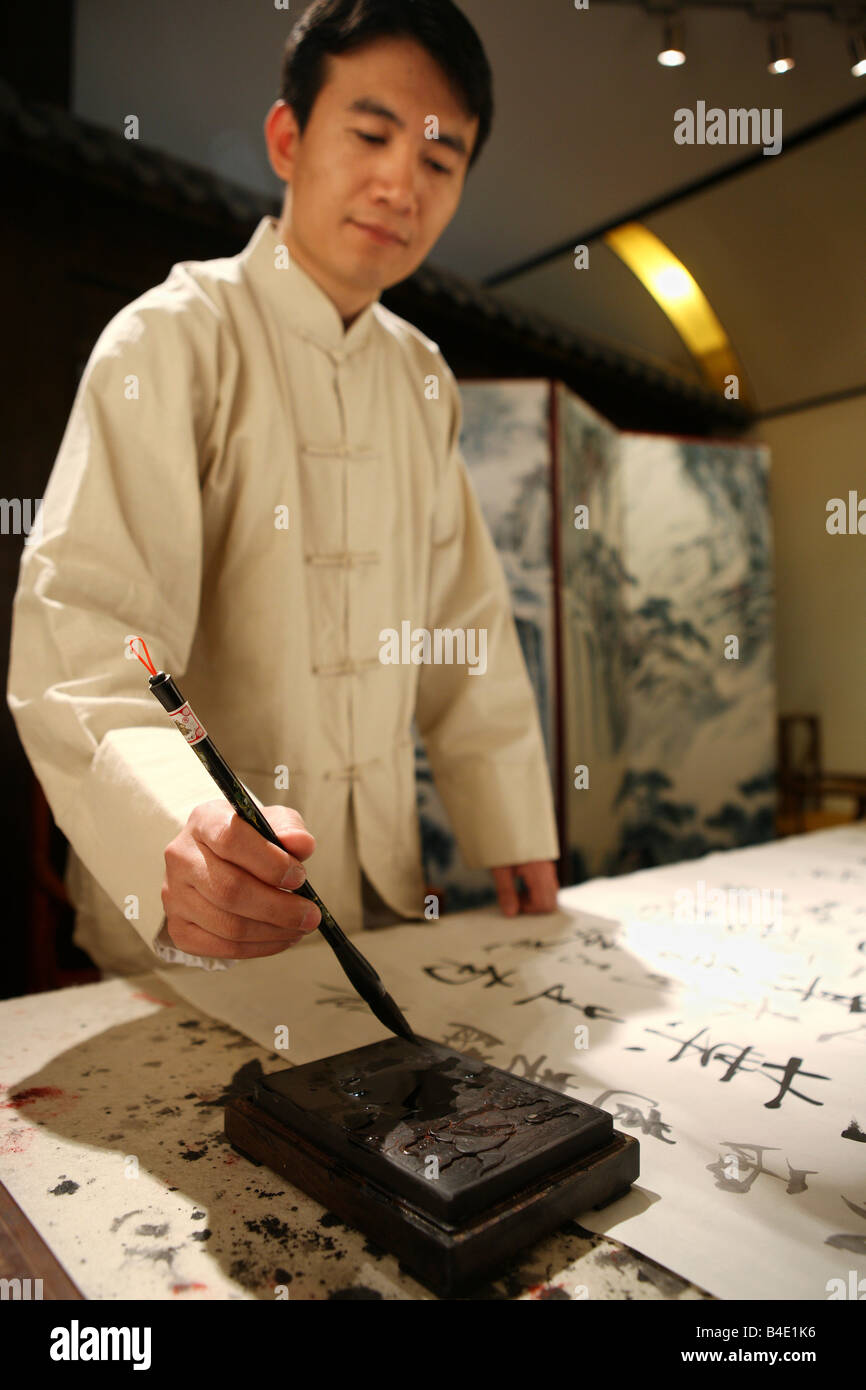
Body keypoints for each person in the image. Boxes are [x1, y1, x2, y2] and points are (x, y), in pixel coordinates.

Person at [7, 0, 560, 979]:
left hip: (381, 894)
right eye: (371, 133)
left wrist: (508, 819)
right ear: (287, 137)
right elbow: (89, 642)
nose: (401, 182)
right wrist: (178, 830)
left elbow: (462, 629)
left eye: (440, 162)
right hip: (200, 914)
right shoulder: (171, 338)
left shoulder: (422, 376)